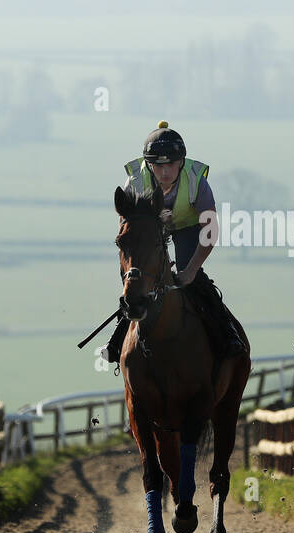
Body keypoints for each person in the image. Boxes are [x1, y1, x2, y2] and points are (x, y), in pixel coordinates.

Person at [99, 120, 246, 364]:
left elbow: (209, 232)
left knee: (194, 280)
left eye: (171, 165)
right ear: (148, 164)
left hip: (189, 228)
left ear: (182, 162)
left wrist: (190, 271)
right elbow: (127, 235)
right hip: (147, 231)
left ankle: (228, 334)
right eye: (158, 166)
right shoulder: (134, 183)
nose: (165, 172)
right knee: (137, 283)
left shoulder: (197, 182)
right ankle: (117, 340)